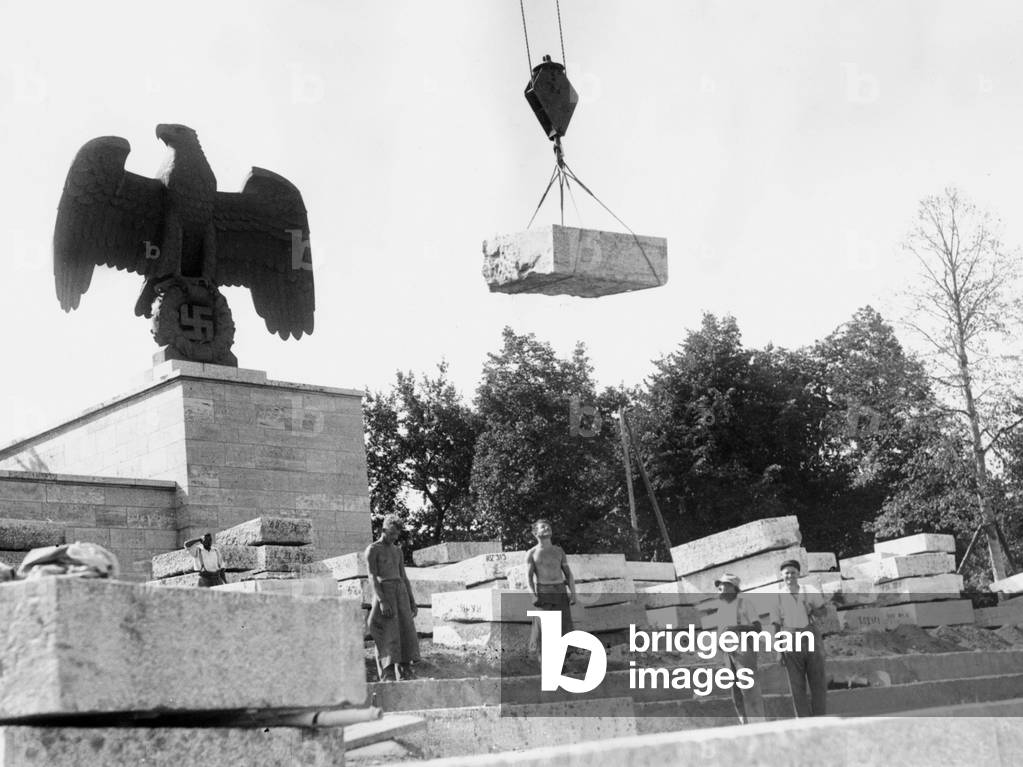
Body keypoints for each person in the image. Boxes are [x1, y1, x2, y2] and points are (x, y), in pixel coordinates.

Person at [769, 558, 828, 717]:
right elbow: (776, 625)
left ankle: (820, 717)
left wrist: (812, 609)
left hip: (810, 636)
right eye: (787, 573)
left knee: (818, 680)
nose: (790, 576)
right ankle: (803, 719)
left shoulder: (809, 590)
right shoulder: (777, 596)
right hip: (789, 638)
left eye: (793, 573)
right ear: (782, 575)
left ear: (798, 574)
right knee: (796, 685)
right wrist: (779, 651)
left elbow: (824, 612)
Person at [366, 515, 420, 681]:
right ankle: (387, 674)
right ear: (383, 530)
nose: (394, 537)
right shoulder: (373, 549)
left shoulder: (397, 551)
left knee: (406, 631)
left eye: (396, 534)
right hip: (384, 592)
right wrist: (382, 600)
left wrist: (412, 601)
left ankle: (405, 672)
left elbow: (404, 576)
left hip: (400, 592)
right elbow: (372, 576)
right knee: (385, 632)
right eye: (391, 534)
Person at [710, 572, 766, 724]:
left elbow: (757, 628)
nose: (720, 588)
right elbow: (721, 630)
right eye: (719, 586)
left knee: (749, 687)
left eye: (724, 585)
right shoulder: (721, 608)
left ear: (733, 587)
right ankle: (744, 724)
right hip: (727, 650)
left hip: (743, 647)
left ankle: (759, 723)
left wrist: (737, 628)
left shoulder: (745, 603)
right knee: (735, 690)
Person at [526, 518, 577, 659]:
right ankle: (544, 662)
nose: (547, 528)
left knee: (564, 627)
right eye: (543, 527)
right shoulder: (532, 553)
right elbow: (528, 578)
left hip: (560, 592)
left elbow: (568, 574)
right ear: (535, 533)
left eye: (548, 526)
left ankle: (563, 663)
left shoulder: (559, 551)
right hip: (544, 594)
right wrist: (533, 595)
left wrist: (573, 593)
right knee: (544, 630)